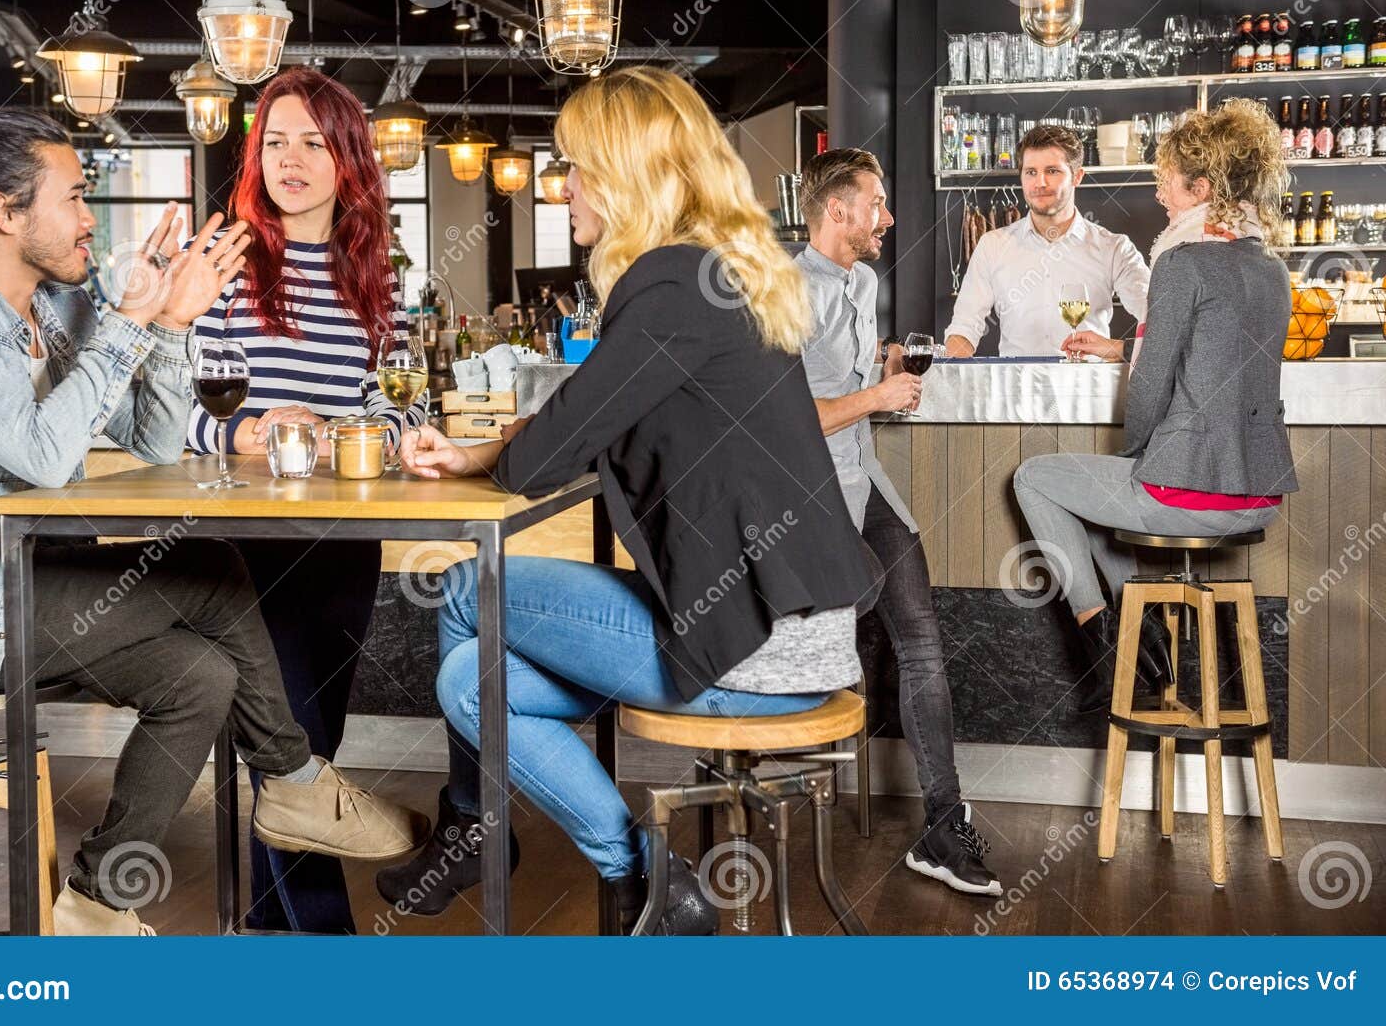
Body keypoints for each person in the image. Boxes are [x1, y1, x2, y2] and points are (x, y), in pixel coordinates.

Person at [0, 103, 427, 935]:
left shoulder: (35, 322)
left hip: (6, 582)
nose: (89, 221)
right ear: (5, 210)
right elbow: (37, 450)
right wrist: (131, 322)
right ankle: (293, 781)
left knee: (199, 677)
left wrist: (168, 327)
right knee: (210, 570)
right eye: (74, 196)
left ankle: (99, 904)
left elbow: (152, 442)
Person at [376, 67, 881, 933]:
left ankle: (603, 860)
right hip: (799, 633)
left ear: (625, 175)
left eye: (573, 166)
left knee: (465, 591)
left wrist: (483, 454)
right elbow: (576, 423)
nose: (561, 185)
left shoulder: (670, 282)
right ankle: (542, 848)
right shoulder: (718, 272)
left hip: (753, 653)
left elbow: (543, 454)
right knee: (469, 678)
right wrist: (477, 450)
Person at [187, 67, 428, 934]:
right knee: (291, 755)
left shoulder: (376, 276)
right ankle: (330, 946)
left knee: (304, 745)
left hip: (343, 537)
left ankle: (264, 928)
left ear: (347, 159)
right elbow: (182, 410)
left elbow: (395, 403)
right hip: (243, 538)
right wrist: (250, 433)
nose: (291, 159)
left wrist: (367, 431)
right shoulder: (229, 259)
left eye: (313, 142)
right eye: (275, 140)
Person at [1013, 99, 1296, 713]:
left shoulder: (1182, 261)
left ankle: (1100, 639)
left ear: (1200, 187)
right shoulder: (1271, 267)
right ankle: (1145, 641)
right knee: (1112, 495)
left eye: (1167, 178)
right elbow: (1215, 352)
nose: (1159, 191)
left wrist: (1141, 453)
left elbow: (1148, 390)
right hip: (1260, 496)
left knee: (1035, 477)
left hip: (1188, 490)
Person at [796, 148, 1000, 896]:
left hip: (866, 480)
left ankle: (944, 825)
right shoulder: (789, 290)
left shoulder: (864, 278)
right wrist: (876, 400)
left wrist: (882, 381)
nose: (888, 216)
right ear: (837, 209)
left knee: (921, 638)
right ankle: (772, 786)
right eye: (877, 203)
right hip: (810, 496)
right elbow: (784, 421)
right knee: (822, 641)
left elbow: (845, 393)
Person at [944, 124, 1150, 359]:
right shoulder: (993, 245)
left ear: (1077, 176)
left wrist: (1119, 348)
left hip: (1089, 391)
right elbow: (964, 326)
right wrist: (954, 380)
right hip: (1015, 391)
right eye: (1031, 172)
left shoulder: (1115, 248)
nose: (1040, 182)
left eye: (1052, 171)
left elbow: (1156, 316)